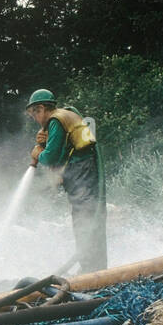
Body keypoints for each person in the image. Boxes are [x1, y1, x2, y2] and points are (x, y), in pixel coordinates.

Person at [27, 88, 108, 273]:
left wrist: (39, 153)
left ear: (41, 108)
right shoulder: (63, 117)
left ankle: (92, 270)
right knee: (86, 216)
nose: (34, 119)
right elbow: (64, 151)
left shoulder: (56, 120)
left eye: (34, 114)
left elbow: (51, 157)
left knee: (84, 217)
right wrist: (46, 142)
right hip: (83, 169)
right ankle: (92, 266)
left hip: (81, 170)